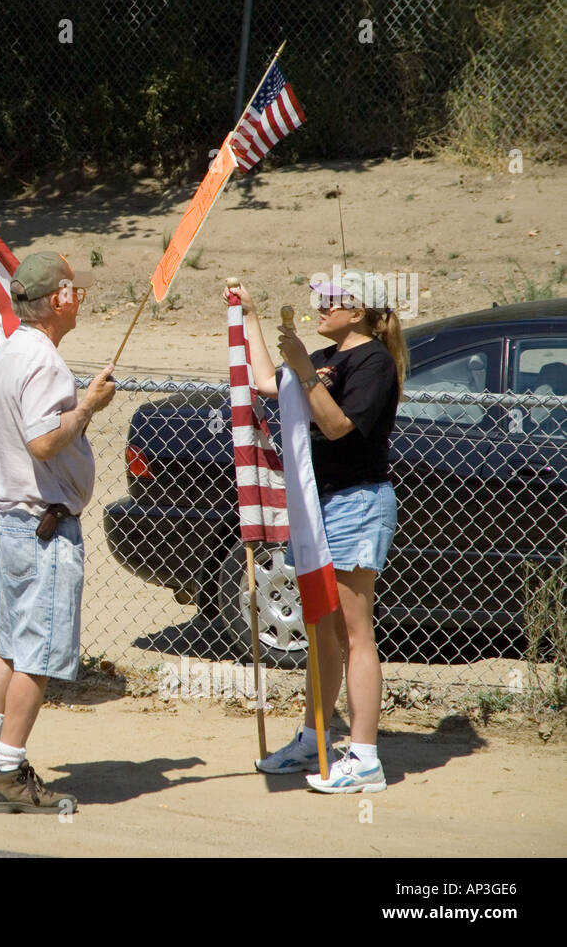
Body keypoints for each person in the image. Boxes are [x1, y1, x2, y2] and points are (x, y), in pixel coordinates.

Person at [231, 268, 408, 793]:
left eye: (333, 299)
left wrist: (304, 370)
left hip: (358, 502)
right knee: (323, 631)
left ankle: (366, 757)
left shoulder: (372, 360)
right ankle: (313, 737)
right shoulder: (328, 359)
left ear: (359, 312)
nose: (321, 304)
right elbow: (268, 382)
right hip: (322, 503)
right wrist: (252, 315)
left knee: (355, 633)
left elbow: (335, 426)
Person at [0, 252, 116, 813]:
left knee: (11, 647)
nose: (81, 296)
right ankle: (6, 775)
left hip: (10, 518)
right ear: (57, 300)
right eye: (74, 289)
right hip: (43, 527)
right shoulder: (45, 362)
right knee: (37, 657)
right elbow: (46, 441)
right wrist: (90, 405)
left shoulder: (4, 355)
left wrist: (16, 479)